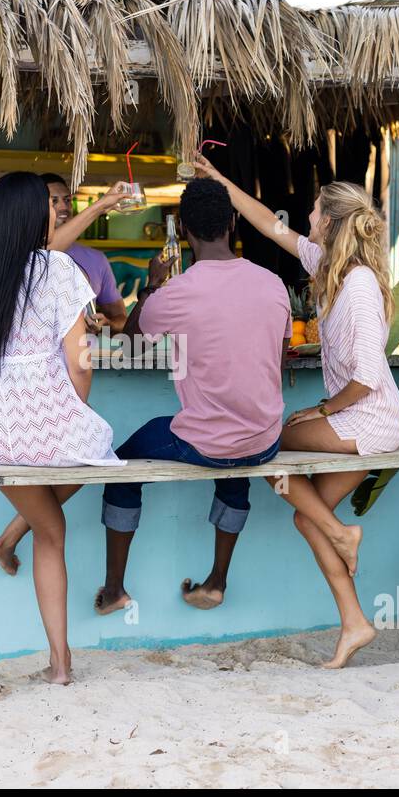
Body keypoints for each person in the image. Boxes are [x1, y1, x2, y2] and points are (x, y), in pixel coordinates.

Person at [195, 152, 399, 668]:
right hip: (358, 419)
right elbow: (270, 226)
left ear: (331, 223)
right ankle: (355, 622)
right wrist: (222, 182)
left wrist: (320, 411)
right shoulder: (330, 266)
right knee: (307, 520)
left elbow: (367, 378)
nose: (305, 219)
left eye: (314, 212)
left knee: (260, 445)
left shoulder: (356, 286)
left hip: (368, 418)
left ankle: (341, 533)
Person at [93, 177, 299, 615]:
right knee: (238, 458)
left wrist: (150, 286)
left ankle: (115, 589)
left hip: (207, 442)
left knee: (120, 468)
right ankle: (217, 581)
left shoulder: (175, 292)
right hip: (264, 439)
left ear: (183, 230)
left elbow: (129, 348)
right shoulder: (273, 284)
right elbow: (277, 363)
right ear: (233, 223)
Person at [0, 172, 129, 685]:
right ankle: (60, 665)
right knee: (102, 448)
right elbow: (80, 362)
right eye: (49, 205)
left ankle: (60, 663)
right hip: (52, 427)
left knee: (49, 529)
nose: (55, 213)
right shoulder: (57, 268)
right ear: (33, 215)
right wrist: (74, 409)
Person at [41, 173, 129, 333]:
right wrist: (100, 206)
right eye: (53, 201)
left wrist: (107, 324)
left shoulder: (96, 259)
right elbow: (48, 251)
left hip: (84, 354)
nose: (63, 207)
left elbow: (122, 320)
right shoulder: (28, 253)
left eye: (67, 200)